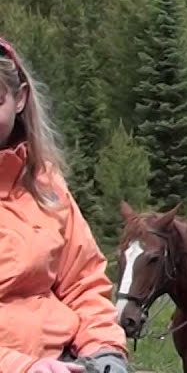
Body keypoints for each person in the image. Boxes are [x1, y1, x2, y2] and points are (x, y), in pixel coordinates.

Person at [0, 36, 131, 373]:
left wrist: (104, 349)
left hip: (65, 359)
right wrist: (21, 367)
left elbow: (82, 280)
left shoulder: (46, 185)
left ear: (19, 99)